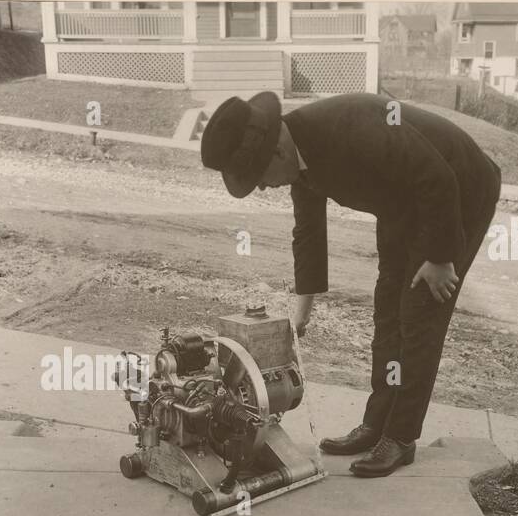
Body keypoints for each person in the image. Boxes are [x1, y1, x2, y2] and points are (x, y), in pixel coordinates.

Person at [200, 91, 502, 477]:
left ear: (276, 152)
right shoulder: (298, 161)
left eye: (258, 179)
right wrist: (301, 316)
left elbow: (436, 175)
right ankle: (377, 424)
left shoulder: (352, 125)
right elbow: (308, 235)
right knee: (387, 311)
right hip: (402, 201)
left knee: (419, 316)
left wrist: (441, 257)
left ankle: (401, 436)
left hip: (458, 188)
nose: (262, 188)